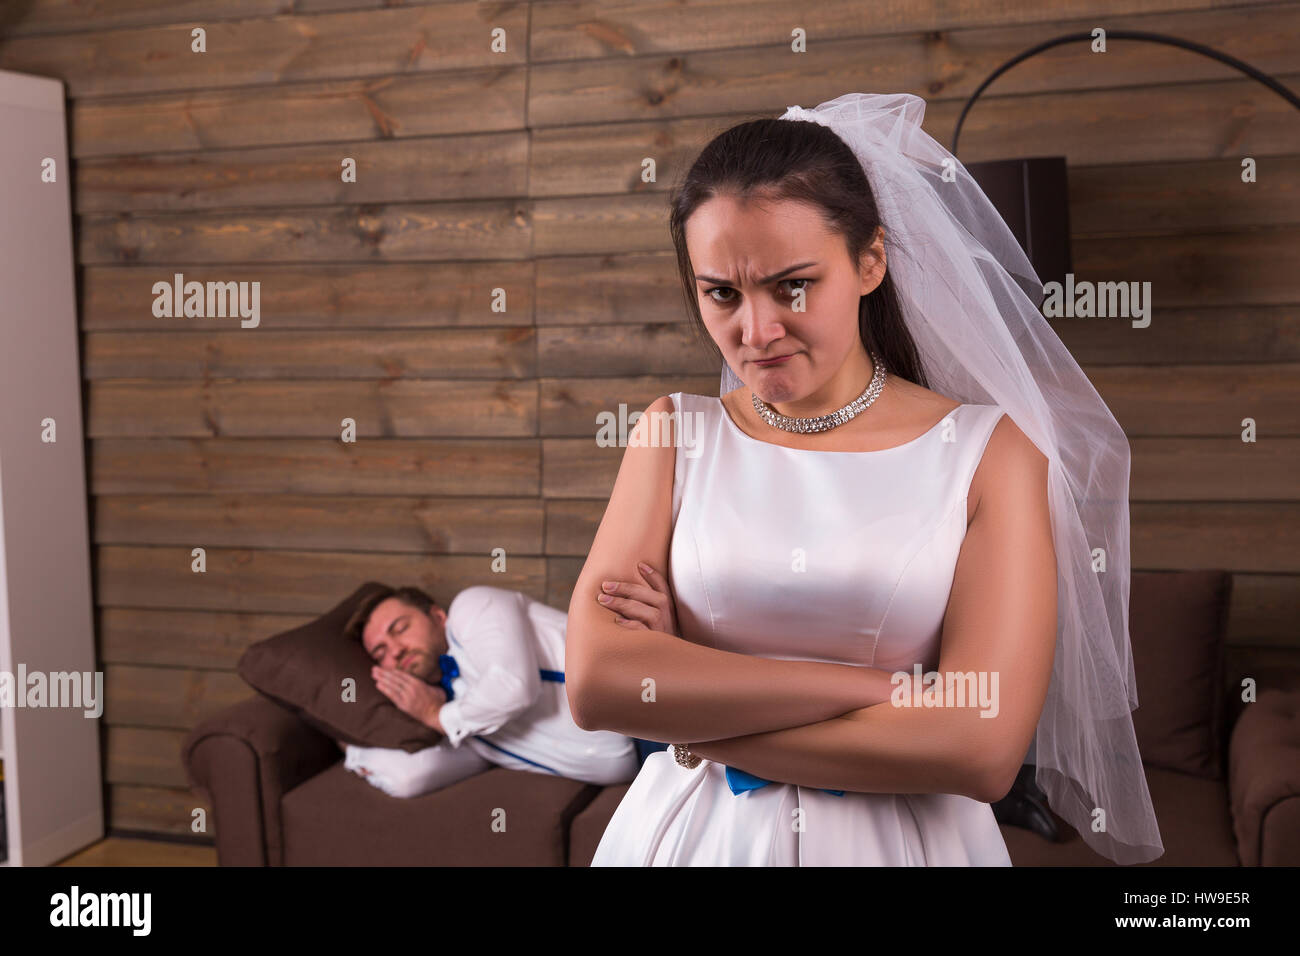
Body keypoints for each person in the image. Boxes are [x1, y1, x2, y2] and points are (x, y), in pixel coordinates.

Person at [565, 93, 1162, 865]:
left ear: (870, 260)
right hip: (689, 840)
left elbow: (979, 747)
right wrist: (883, 691)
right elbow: (597, 685)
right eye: (722, 293)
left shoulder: (992, 453)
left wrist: (691, 698)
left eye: (793, 285)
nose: (757, 331)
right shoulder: (672, 432)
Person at [339, 584, 638, 798]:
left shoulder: (472, 607)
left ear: (437, 616)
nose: (395, 650)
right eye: (380, 653)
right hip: (640, 776)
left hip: (648, 715)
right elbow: (411, 777)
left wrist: (437, 715)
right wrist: (350, 747)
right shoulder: (466, 726)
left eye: (400, 628)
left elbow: (514, 687)